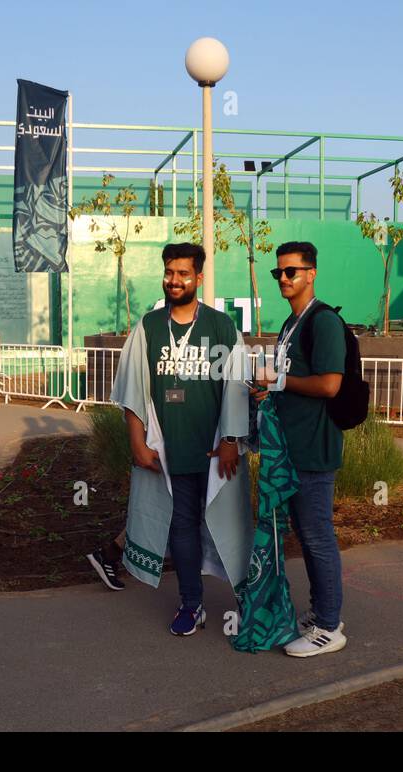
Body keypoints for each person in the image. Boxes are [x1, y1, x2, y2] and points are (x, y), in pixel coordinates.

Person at [107, 242, 252, 635]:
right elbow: (133, 388)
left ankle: (251, 604)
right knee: (182, 528)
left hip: (215, 452)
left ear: (198, 278)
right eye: (170, 272)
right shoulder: (150, 326)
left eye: (184, 273)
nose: (175, 280)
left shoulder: (220, 326)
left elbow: (236, 385)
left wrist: (230, 440)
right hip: (171, 452)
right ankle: (193, 604)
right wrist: (138, 443)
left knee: (232, 523)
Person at [250, 240, 348, 658]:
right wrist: (266, 392)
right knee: (307, 538)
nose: (284, 279)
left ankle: (330, 626)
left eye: (292, 272)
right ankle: (322, 614)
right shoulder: (291, 324)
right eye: (279, 273)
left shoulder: (322, 321)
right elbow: (290, 382)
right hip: (291, 448)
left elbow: (330, 384)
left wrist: (279, 383)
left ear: (311, 273)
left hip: (314, 448)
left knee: (317, 536)